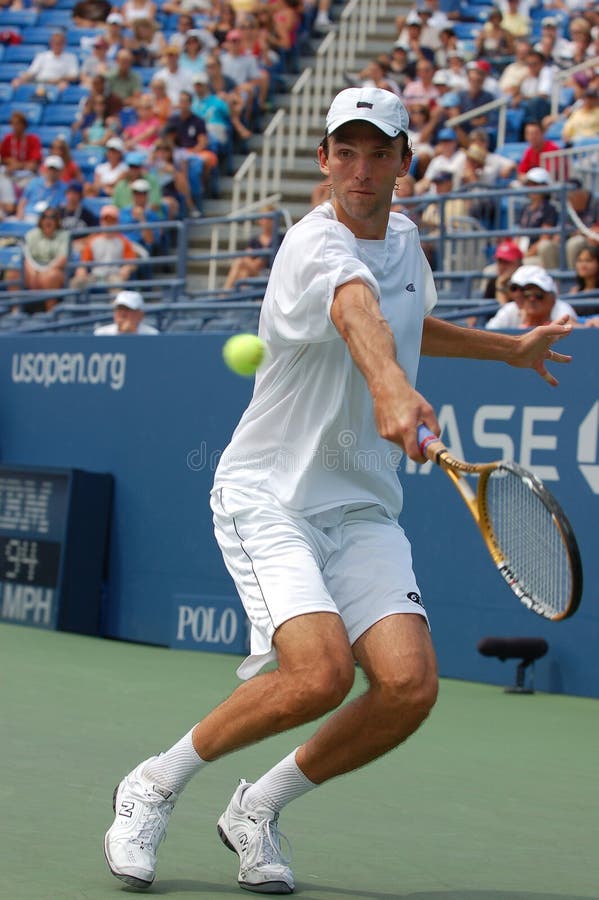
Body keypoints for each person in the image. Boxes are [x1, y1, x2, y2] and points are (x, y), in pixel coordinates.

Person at [104, 86, 574, 896]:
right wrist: (391, 391)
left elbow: (404, 315)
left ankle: (257, 808)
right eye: (344, 151)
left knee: (407, 686)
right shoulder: (310, 247)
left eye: (377, 151)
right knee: (316, 673)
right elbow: (356, 313)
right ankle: (151, 783)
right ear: (321, 159)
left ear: (402, 163)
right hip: (271, 496)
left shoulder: (404, 241)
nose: (359, 169)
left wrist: (507, 351)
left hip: (360, 505)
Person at [71, 204, 141, 288]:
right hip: (96, 275)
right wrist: (81, 270)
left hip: (115, 276)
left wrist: (127, 268)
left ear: (116, 222)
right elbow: (84, 262)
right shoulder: (93, 241)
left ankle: (116, 301)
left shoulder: (124, 241)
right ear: (101, 221)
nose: (108, 223)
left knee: (117, 283)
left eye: (112, 220)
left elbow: (131, 262)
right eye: (106, 219)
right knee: (76, 282)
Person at [486, 265, 576, 329]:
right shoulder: (510, 309)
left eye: (538, 294)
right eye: (514, 288)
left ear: (552, 295)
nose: (531, 299)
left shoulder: (562, 310)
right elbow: (489, 333)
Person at [223, 207, 283, 289]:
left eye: (269, 218)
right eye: (263, 218)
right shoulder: (254, 240)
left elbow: (260, 263)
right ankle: (230, 295)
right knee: (243, 272)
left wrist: (248, 261)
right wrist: (248, 261)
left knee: (239, 263)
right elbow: (248, 257)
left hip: (270, 273)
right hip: (255, 272)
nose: (266, 221)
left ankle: (225, 293)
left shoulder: (279, 239)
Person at [11, 30, 80, 95]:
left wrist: (60, 79)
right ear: (51, 43)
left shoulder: (71, 57)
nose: (56, 45)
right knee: (17, 83)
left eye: (59, 43)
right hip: (40, 81)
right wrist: (20, 79)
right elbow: (32, 72)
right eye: (54, 43)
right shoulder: (42, 56)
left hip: (58, 83)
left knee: (64, 86)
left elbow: (74, 75)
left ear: (64, 44)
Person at [94, 289, 160, 334]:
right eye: (119, 309)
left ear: (140, 315)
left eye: (128, 309)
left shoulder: (152, 335)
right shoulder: (101, 334)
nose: (122, 314)